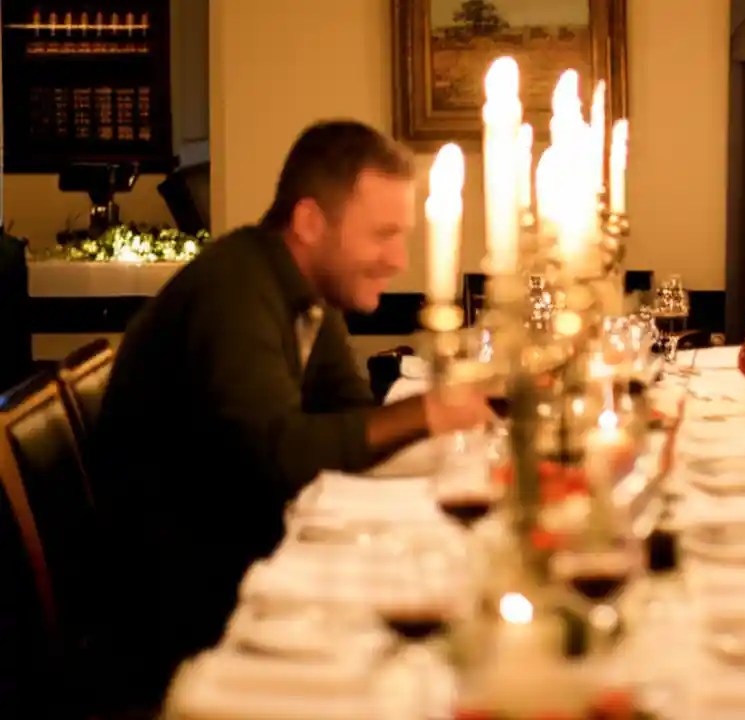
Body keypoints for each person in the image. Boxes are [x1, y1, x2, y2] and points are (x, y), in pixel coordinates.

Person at [94, 120, 490, 694]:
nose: (398, 260)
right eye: (382, 235)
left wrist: (440, 415)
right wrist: (429, 412)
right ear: (310, 222)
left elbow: (350, 416)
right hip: (179, 607)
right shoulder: (233, 289)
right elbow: (277, 452)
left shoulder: (303, 290)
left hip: (241, 557)